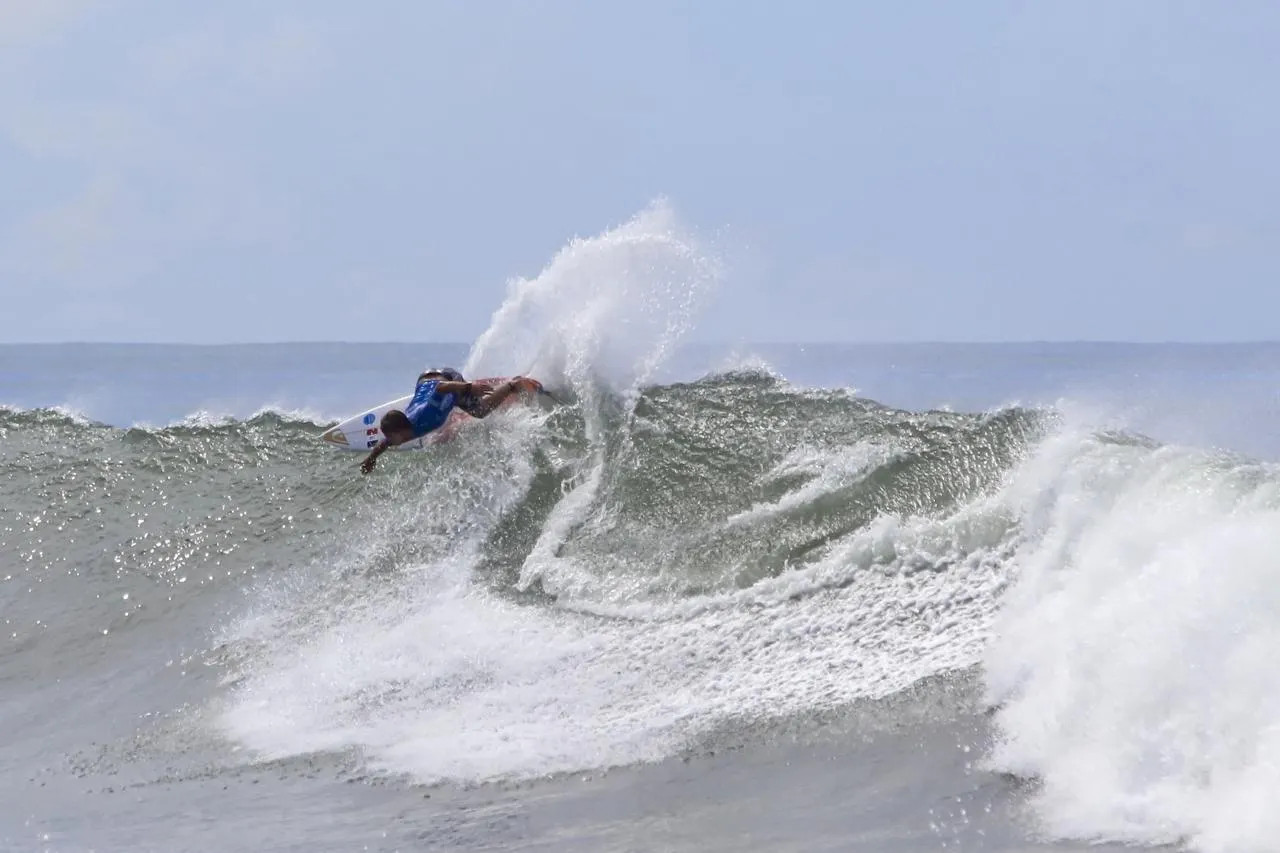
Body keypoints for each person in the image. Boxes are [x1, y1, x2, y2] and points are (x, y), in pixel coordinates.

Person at [360, 368, 528, 474]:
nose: (388, 439)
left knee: (479, 411)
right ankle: (455, 405)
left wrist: (469, 387)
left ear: (400, 430)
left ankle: (512, 385)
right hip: (424, 379)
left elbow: (441, 387)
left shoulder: (424, 415)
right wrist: (371, 459)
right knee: (444, 412)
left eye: (390, 435)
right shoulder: (402, 433)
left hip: (447, 379)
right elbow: (383, 444)